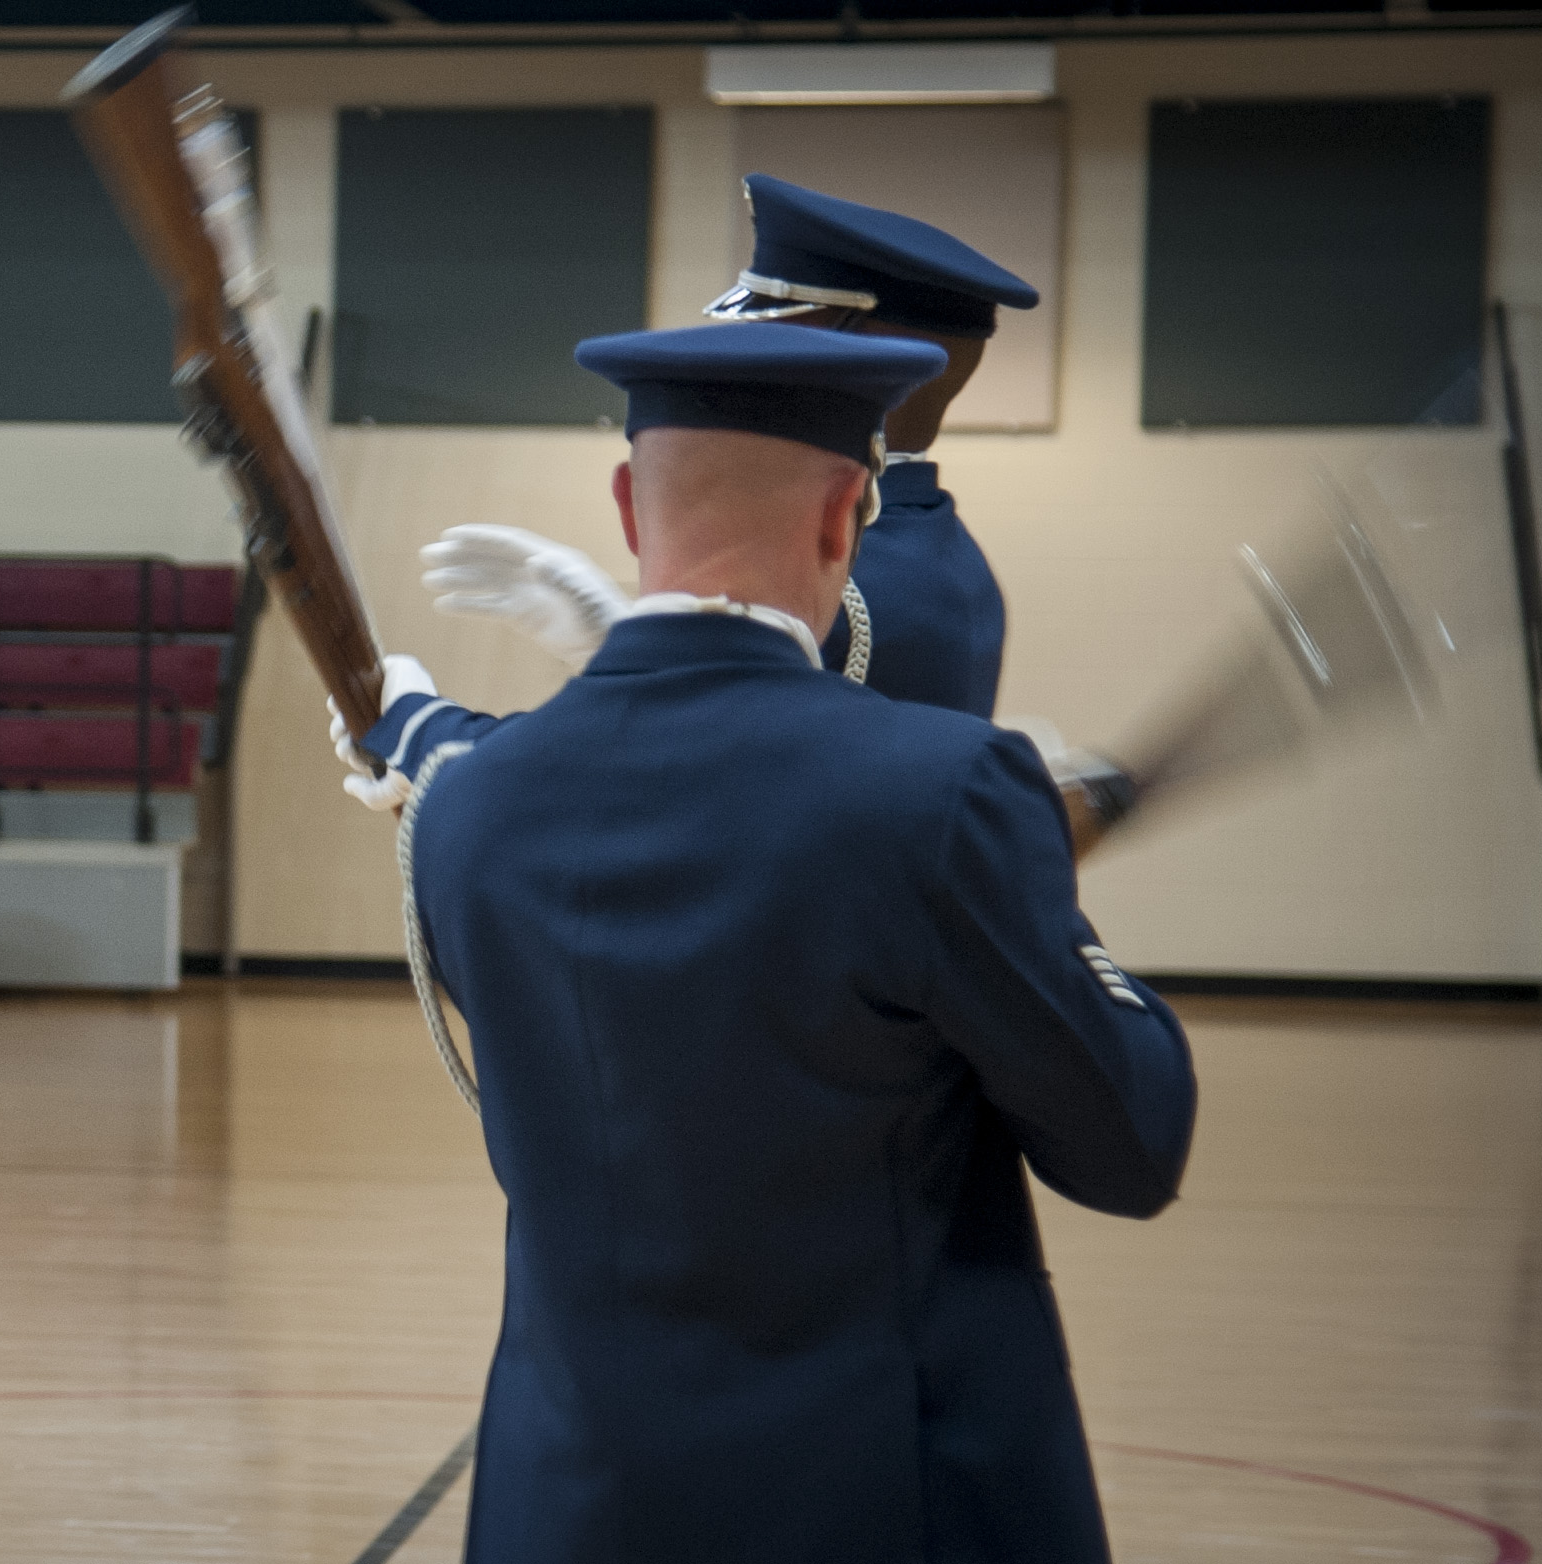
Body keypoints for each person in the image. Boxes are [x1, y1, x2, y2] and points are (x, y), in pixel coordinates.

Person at [377, 322, 1196, 1563]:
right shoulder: (944, 795)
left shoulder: (468, 809)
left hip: (568, 1511)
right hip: (881, 1510)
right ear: (845, 516)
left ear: (624, 506)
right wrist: (1031, 891)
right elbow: (1133, 1140)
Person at [421, 173, 1041, 718]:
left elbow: (692, 770)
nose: (740, 349)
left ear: (862, 349)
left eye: (773, 325)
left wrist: (624, 656)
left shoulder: (859, 581)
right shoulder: (921, 544)